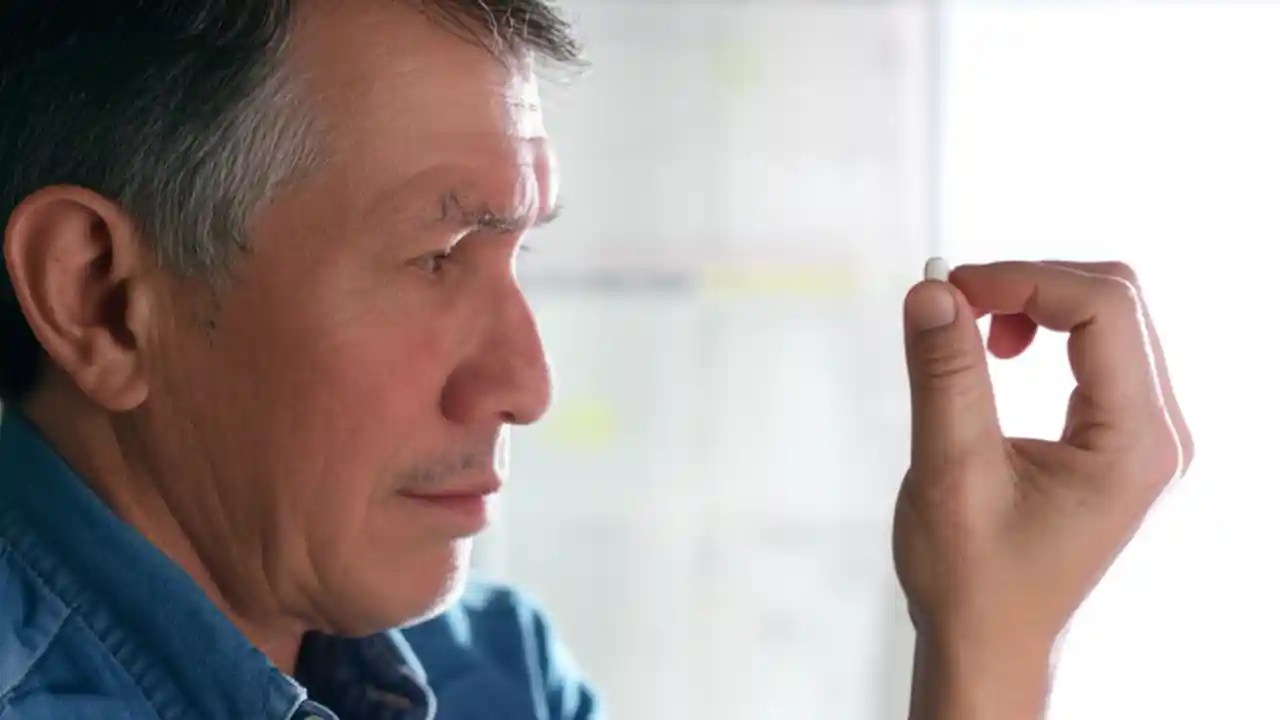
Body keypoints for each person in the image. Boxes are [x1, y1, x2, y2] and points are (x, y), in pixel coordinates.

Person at [0, 1, 1193, 719]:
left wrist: (985, 642)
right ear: (100, 297)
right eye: (435, 255)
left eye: (514, 252)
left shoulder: (490, 674)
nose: (526, 384)